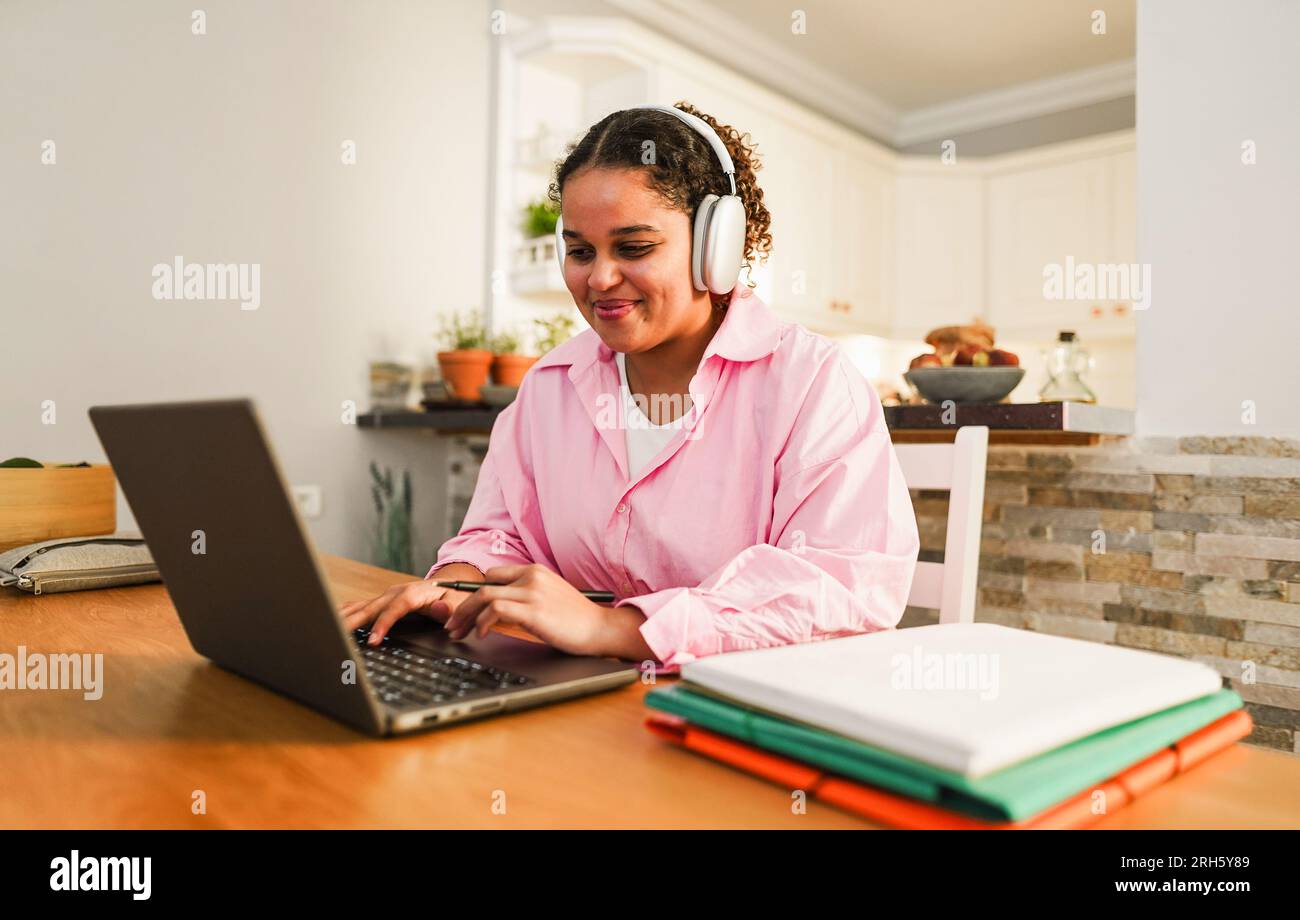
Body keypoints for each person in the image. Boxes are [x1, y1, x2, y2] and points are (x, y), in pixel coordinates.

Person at [339, 102, 919, 672]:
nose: (599, 278)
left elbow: (844, 588)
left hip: (733, 711)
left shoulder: (811, 382)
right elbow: (501, 535)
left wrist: (613, 628)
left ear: (716, 248)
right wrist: (448, 589)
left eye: (634, 248)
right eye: (580, 251)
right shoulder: (550, 388)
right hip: (583, 702)